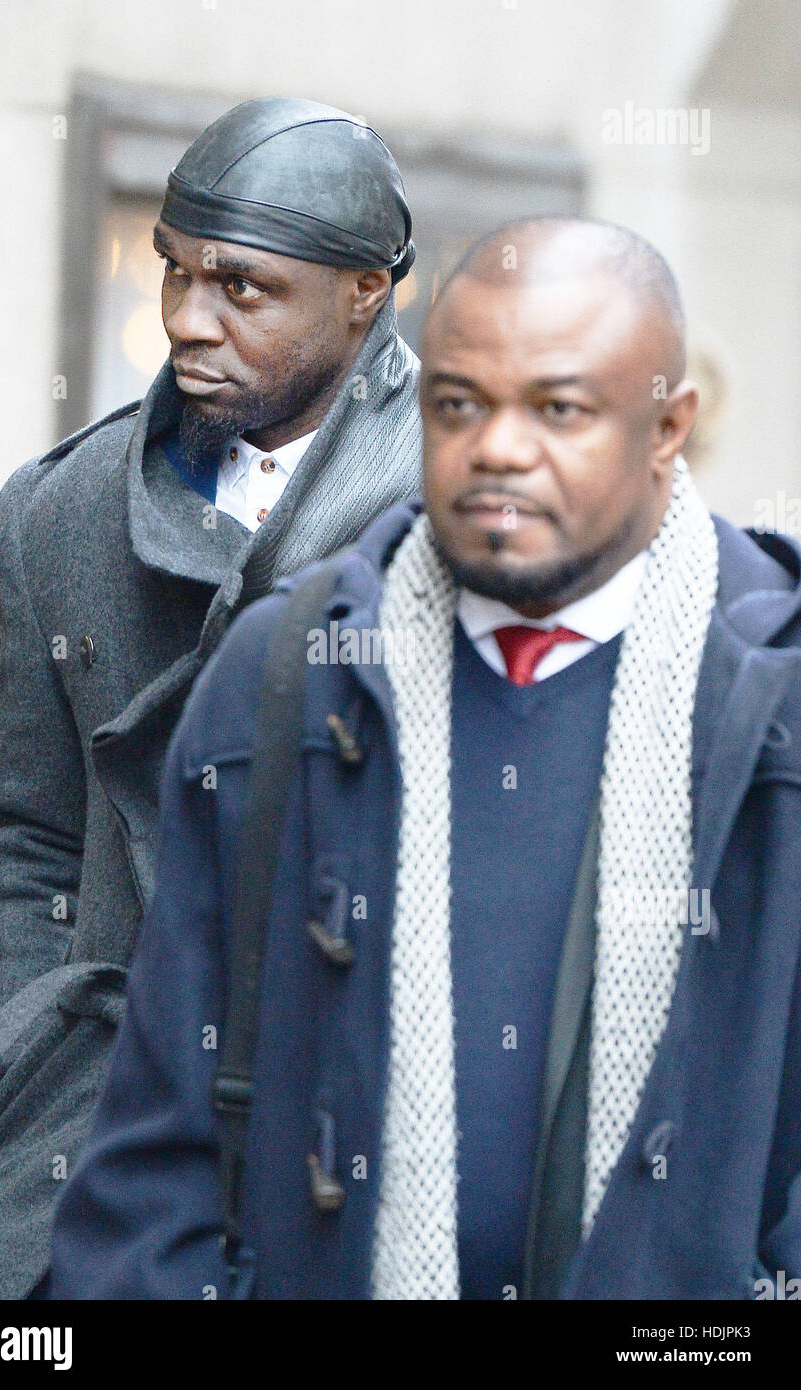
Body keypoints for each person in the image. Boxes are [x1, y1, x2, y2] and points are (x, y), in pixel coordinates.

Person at [44, 217, 801, 1299]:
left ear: (665, 427)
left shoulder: (776, 698)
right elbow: (154, 1158)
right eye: (459, 404)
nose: (497, 446)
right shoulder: (287, 676)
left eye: (559, 408)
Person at [0, 95, 421, 1300]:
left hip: (369, 1157)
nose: (188, 321)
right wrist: (15, 1118)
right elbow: (25, 837)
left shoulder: (469, 511)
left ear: (364, 291)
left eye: (242, 288)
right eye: (173, 273)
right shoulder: (62, 510)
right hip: (97, 1166)